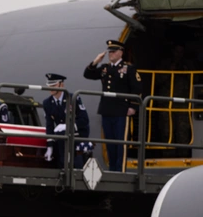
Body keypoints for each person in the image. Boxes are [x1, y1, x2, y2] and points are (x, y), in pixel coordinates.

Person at [83, 39, 142, 172]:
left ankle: (119, 171)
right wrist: (95, 61)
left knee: (120, 143)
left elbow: (137, 89)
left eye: (114, 52)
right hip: (107, 109)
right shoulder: (105, 68)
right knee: (109, 142)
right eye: (110, 52)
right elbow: (87, 75)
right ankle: (112, 169)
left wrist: (132, 107)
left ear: (121, 53)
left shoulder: (129, 69)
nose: (111, 54)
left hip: (121, 110)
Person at [42, 73, 91, 169]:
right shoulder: (47, 103)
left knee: (76, 163)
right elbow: (49, 125)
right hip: (61, 137)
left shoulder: (73, 98)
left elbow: (84, 120)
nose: (51, 88)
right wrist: (50, 146)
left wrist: (68, 126)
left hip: (76, 135)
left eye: (54, 85)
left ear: (61, 85)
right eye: (49, 85)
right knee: (59, 159)